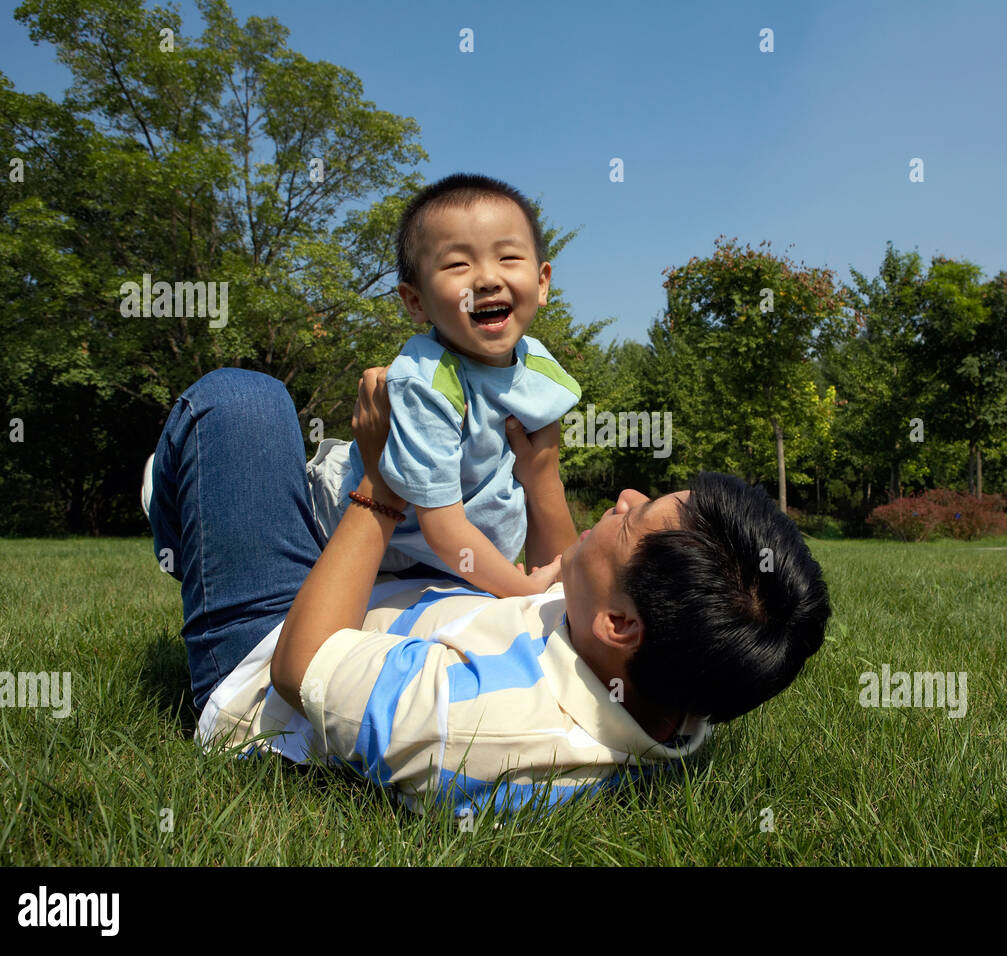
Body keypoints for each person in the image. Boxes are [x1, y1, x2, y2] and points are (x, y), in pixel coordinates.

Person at [145, 366, 831, 815]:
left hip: (277, 645)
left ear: (621, 627)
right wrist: (540, 475)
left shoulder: (477, 727)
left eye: (635, 520)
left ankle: (197, 529)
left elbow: (304, 670)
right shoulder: (675, 676)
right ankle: (283, 506)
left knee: (239, 404)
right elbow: (567, 580)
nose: (625, 496)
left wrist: (385, 484)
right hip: (421, 592)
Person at [306, 172, 581, 597]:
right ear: (416, 301)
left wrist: (543, 585)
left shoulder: (540, 370)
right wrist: (523, 593)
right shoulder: (427, 380)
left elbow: (540, 494)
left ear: (542, 282)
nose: (488, 278)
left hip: (450, 557)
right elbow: (444, 528)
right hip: (365, 528)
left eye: (508, 258)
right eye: (457, 264)